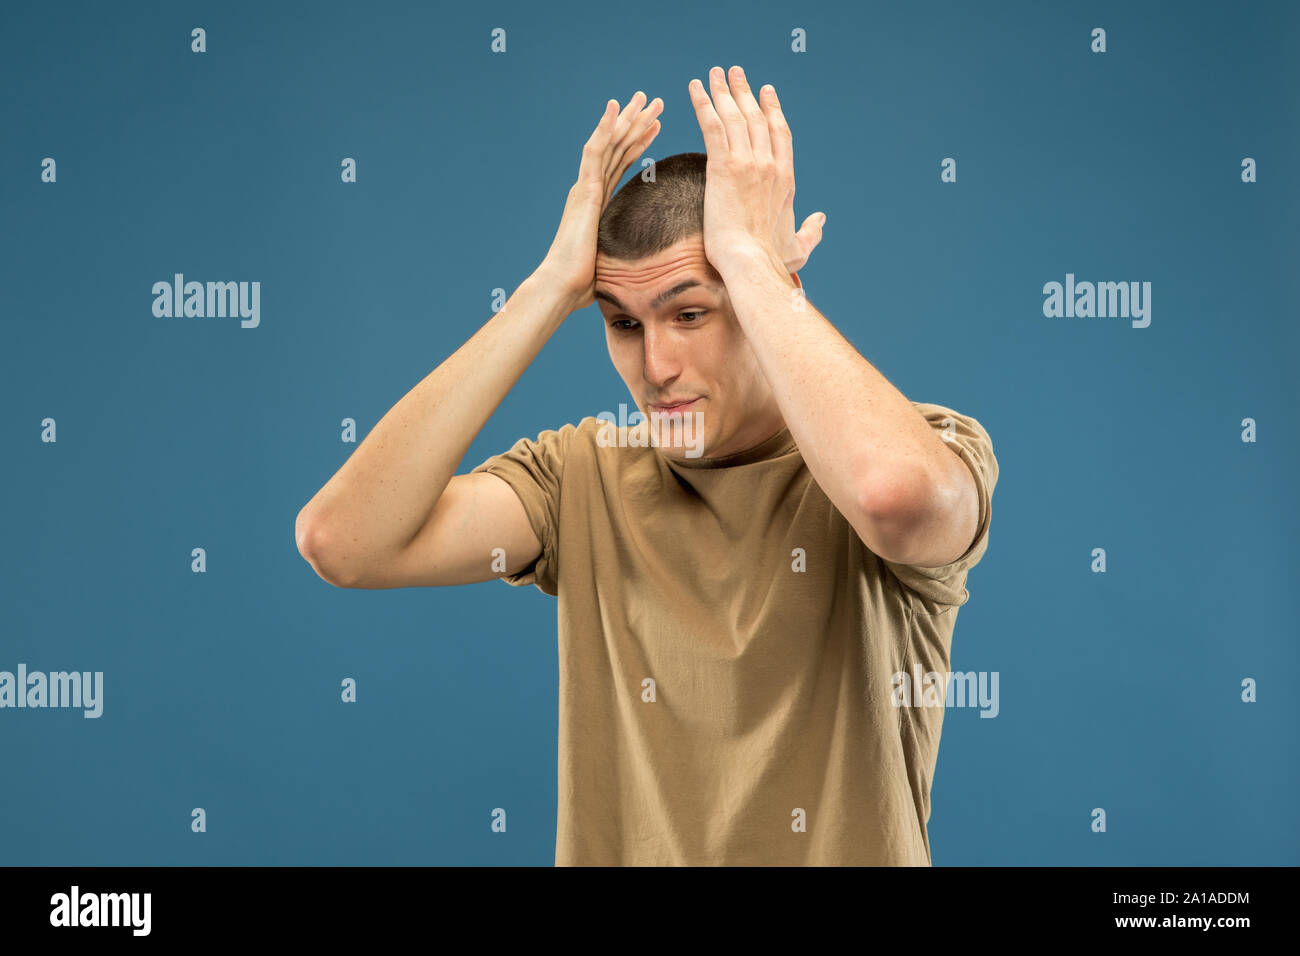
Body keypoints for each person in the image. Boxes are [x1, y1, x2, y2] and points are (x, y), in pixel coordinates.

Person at [295, 65, 999, 866]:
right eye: (622, 322)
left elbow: (896, 499)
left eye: (689, 312)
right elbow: (342, 541)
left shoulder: (925, 444)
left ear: (772, 290)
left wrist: (754, 262)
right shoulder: (580, 475)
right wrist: (549, 289)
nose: (654, 365)